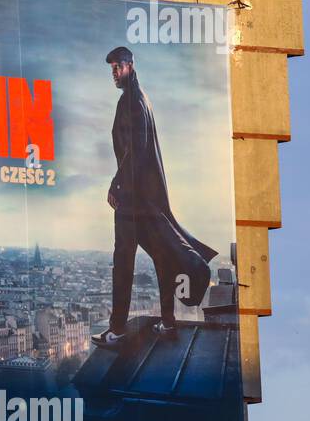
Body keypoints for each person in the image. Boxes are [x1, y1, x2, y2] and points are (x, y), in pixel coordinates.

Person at [91, 46, 216, 348]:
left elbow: (137, 147)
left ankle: (117, 329)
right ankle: (168, 321)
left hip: (131, 198)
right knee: (161, 255)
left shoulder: (131, 102)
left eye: (118, 67)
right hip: (146, 198)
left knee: (123, 262)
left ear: (130, 66)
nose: (114, 73)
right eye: (112, 69)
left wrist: (115, 184)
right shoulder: (142, 99)